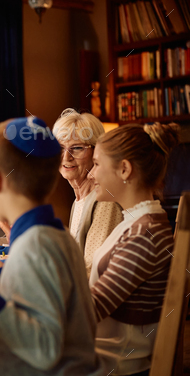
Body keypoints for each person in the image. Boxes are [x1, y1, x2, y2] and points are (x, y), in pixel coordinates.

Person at [0, 117, 105, 376]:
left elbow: (43, 349)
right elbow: (48, 289)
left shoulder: (34, 244)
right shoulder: (56, 234)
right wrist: (0, 272)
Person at [88, 123, 179, 376]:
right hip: (103, 353)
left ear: (125, 169)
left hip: (114, 364)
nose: (90, 174)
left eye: (96, 164)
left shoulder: (143, 234)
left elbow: (87, 312)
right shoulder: (138, 223)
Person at [53, 108, 123, 276]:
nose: (66, 157)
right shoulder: (79, 200)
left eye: (76, 148)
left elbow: (93, 270)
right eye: (60, 148)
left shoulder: (105, 201)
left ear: (96, 152)